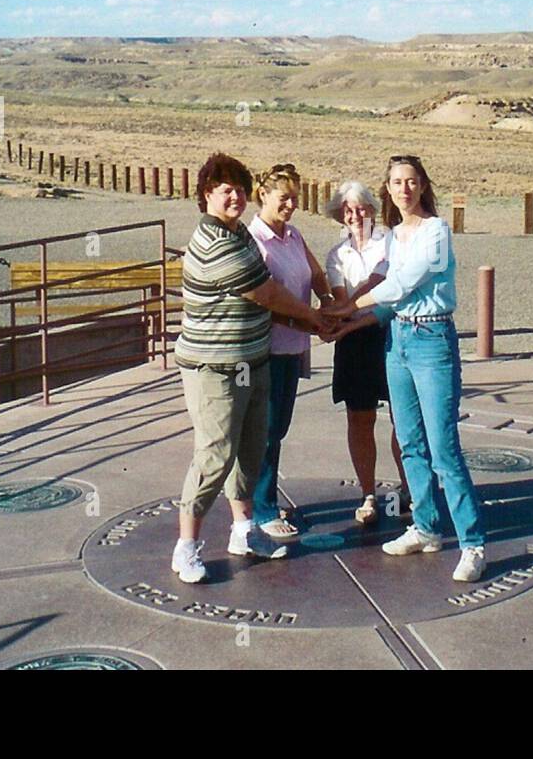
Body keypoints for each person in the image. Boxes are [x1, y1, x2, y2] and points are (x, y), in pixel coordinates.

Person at [322, 155, 487, 583]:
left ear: (423, 185)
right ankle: (427, 527)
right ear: (389, 189)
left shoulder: (436, 231)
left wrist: (343, 306)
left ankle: (472, 544)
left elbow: (401, 284)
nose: (404, 189)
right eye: (396, 182)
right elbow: (390, 303)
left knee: (443, 447)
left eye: (411, 181)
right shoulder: (394, 236)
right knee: (410, 441)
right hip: (397, 340)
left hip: (432, 342)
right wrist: (347, 325)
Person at [170, 152, 332, 584]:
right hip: (214, 368)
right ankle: (186, 546)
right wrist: (316, 319)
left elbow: (273, 289)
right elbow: (266, 293)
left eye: (240, 190)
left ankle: (244, 531)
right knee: (214, 455)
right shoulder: (213, 242)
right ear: (207, 195)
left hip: (252, 359)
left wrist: (315, 315)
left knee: (250, 450)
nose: (236, 198)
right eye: (227, 191)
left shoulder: (240, 233)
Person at [247, 163, 335, 539]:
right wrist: (312, 322)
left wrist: (331, 303)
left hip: (293, 348)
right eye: (284, 198)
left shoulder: (293, 235)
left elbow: (315, 275)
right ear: (263, 195)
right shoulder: (254, 240)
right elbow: (264, 301)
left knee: (277, 428)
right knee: (264, 430)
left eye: (296, 199)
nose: (291, 206)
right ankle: (261, 510)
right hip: (265, 349)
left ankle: (260, 498)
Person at [321, 180, 410, 526]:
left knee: (403, 417)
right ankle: (368, 494)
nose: (355, 215)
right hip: (354, 341)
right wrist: (339, 314)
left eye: (360, 208)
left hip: (389, 332)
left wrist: (340, 314)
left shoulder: (391, 242)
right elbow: (342, 297)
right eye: (347, 210)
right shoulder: (336, 255)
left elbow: (382, 285)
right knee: (360, 418)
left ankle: (410, 488)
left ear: (372, 210)